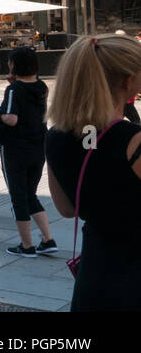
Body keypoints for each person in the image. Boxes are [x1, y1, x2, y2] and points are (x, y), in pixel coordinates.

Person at [44, 35, 141, 310]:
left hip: (94, 276)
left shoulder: (55, 136)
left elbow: (66, 208)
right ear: (128, 81)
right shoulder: (132, 141)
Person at [0, 46, 55, 257]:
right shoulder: (42, 86)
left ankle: (27, 245)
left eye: (10, 62)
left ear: (16, 65)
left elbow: (12, 119)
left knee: (18, 196)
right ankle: (48, 240)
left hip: (16, 148)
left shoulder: (14, 90)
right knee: (30, 193)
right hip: (39, 146)